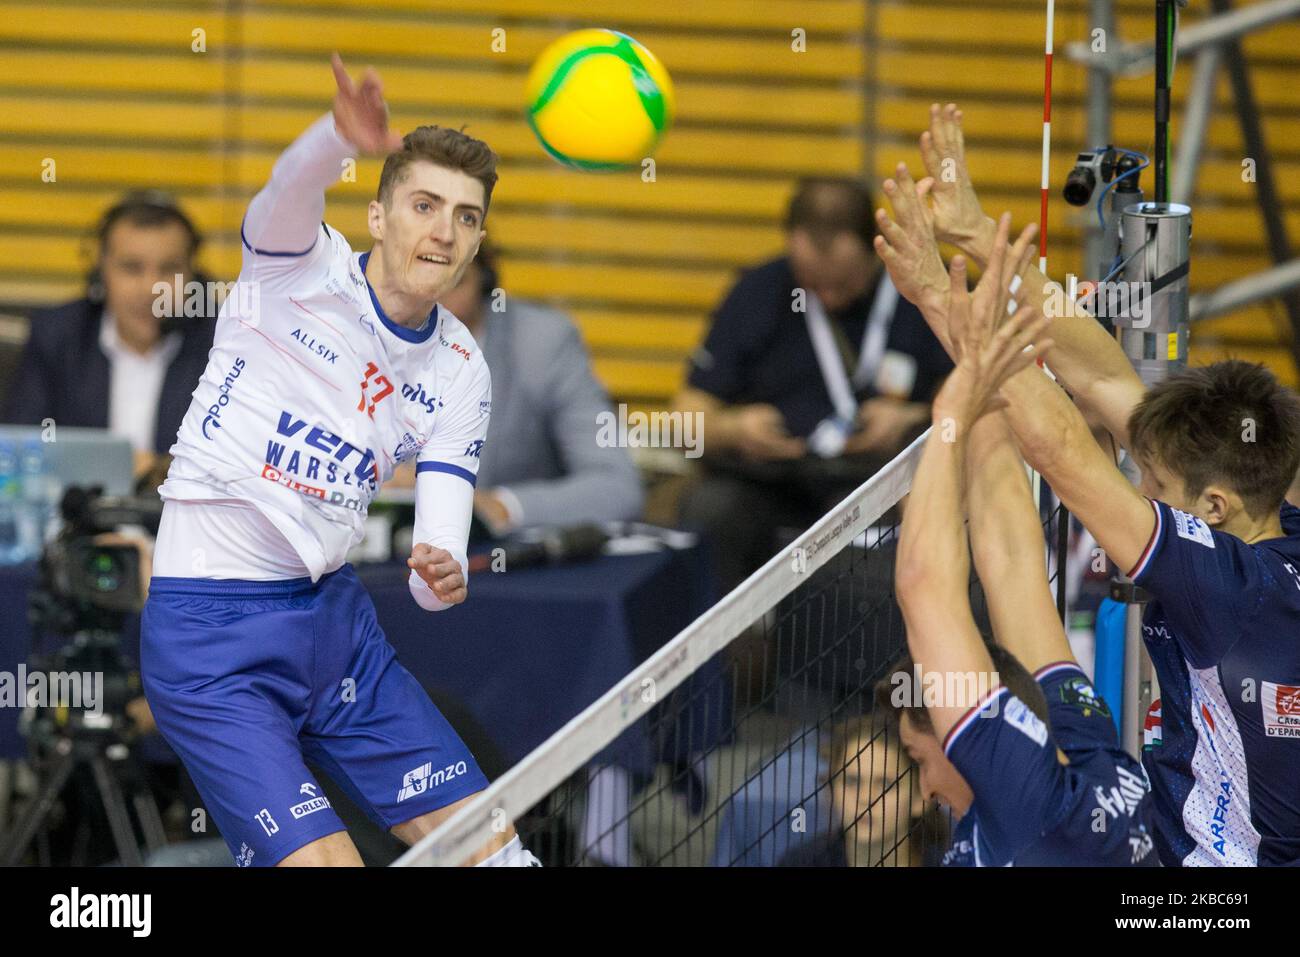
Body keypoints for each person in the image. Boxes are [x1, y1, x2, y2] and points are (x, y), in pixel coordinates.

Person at [140, 54, 538, 867]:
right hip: (210, 634)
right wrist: (336, 136)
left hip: (335, 628)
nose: (443, 230)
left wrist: (439, 575)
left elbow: (433, 573)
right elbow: (285, 191)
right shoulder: (296, 267)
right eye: (424, 205)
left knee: (494, 854)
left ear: (478, 242)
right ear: (379, 216)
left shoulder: (461, 369)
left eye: (465, 217)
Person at [876, 101, 1300, 866]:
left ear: (1212, 508)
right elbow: (1102, 378)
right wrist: (972, 232)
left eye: (1151, 481)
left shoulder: (1228, 587)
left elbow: (1068, 452)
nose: (1134, 489)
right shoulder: (1274, 533)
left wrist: (943, 303)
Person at [880, 218, 1156, 866]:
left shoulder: (1031, 812)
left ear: (963, 738)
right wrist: (965, 346)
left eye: (921, 759)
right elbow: (1007, 556)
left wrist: (951, 417)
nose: (924, 790)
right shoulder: (1085, 747)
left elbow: (924, 585)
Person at [671, 177, 951, 591]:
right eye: (812, 283)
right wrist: (732, 429)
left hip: (877, 482)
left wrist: (916, 421)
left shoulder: (925, 290)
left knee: (857, 526)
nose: (827, 296)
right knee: (709, 510)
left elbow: (981, 398)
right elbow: (683, 418)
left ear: (875, 251)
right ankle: (728, 653)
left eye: (842, 283)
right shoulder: (758, 291)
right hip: (772, 480)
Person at [434, 243, 643, 534]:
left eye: (451, 280)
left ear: (485, 277)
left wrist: (502, 506)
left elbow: (617, 488)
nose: (429, 296)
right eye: (414, 277)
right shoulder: (362, 339)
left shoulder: (542, 343)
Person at [3, 191, 216, 476]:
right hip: (80, 517)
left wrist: (157, 471)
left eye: (169, 269)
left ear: (194, 276)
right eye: (131, 268)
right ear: (100, 271)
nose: (151, 288)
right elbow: (18, 455)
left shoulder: (221, 344)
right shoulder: (57, 336)